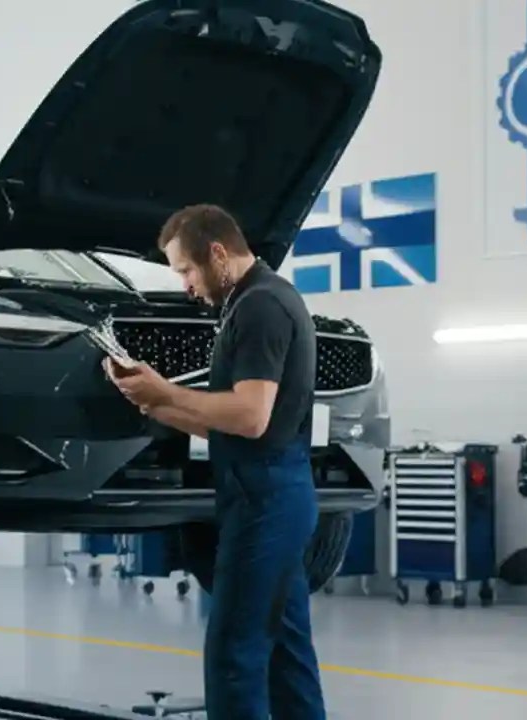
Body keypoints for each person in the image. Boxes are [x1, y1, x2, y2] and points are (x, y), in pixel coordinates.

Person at [105, 203, 326, 719]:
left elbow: (250, 416)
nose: (184, 284)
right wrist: (153, 402)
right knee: (287, 657)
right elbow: (226, 423)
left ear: (219, 254)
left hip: (266, 502)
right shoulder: (255, 300)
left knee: (234, 655)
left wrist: (165, 392)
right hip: (273, 492)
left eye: (185, 269)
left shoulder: (261, 307)